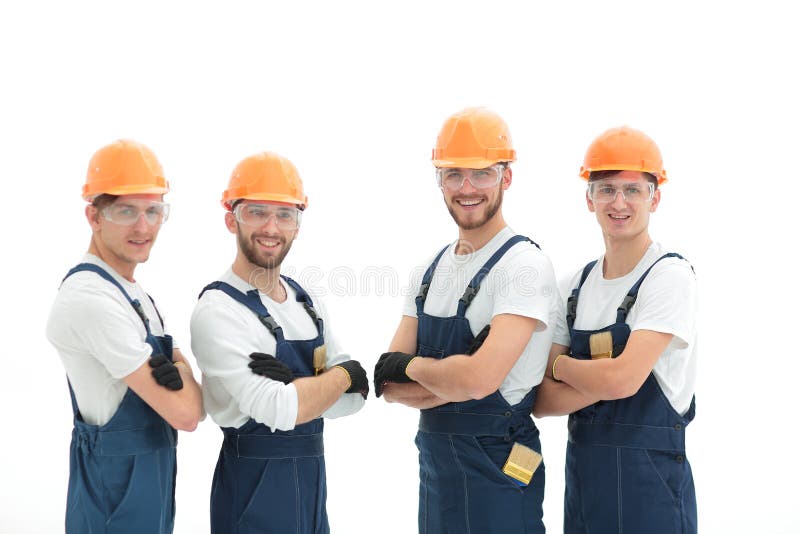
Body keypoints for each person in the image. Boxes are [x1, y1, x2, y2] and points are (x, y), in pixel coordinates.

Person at [374, 107, 558, 533]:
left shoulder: (524, 266)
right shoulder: (427, 270)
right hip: (438, 473)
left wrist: (413, 367)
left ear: (506, 177)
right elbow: (388, 385)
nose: (466, 187)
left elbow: (478, 381)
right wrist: (453, 376)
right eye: (453, 174)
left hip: (501, 469)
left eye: (481, 174)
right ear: (439, 180)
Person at [190, 151, 368, 534]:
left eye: (284, 214)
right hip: (252, 491)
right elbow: (280, 410)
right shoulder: (218, 311)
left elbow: (354, 403)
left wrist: (297, 388)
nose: (271, 226)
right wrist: (340, 377)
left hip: (313, 486)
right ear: (230, 218)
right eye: (256, 211)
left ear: (297, 225)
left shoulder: (308, 301)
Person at [533, 126, 698, 533]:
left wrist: (562, 366)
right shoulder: (572, 285)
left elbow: (624, 380)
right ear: (588, 199)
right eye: (606, 189)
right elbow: (541, 401)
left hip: (652, 492)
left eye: (633, 190)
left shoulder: (668, 277)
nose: (618, 202)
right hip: (586, 492)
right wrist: (601, 377)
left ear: (654, 197)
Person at [46, 139, 203, 533]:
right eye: (126, 211)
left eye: (154, 211)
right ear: (94, 216)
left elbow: (197, 408)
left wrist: (180, 377)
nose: (143, 226)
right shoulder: (90, 298)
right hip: (113, 497)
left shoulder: (136, 295)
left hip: (151, 487)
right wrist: (181, 373)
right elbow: (185, 414)